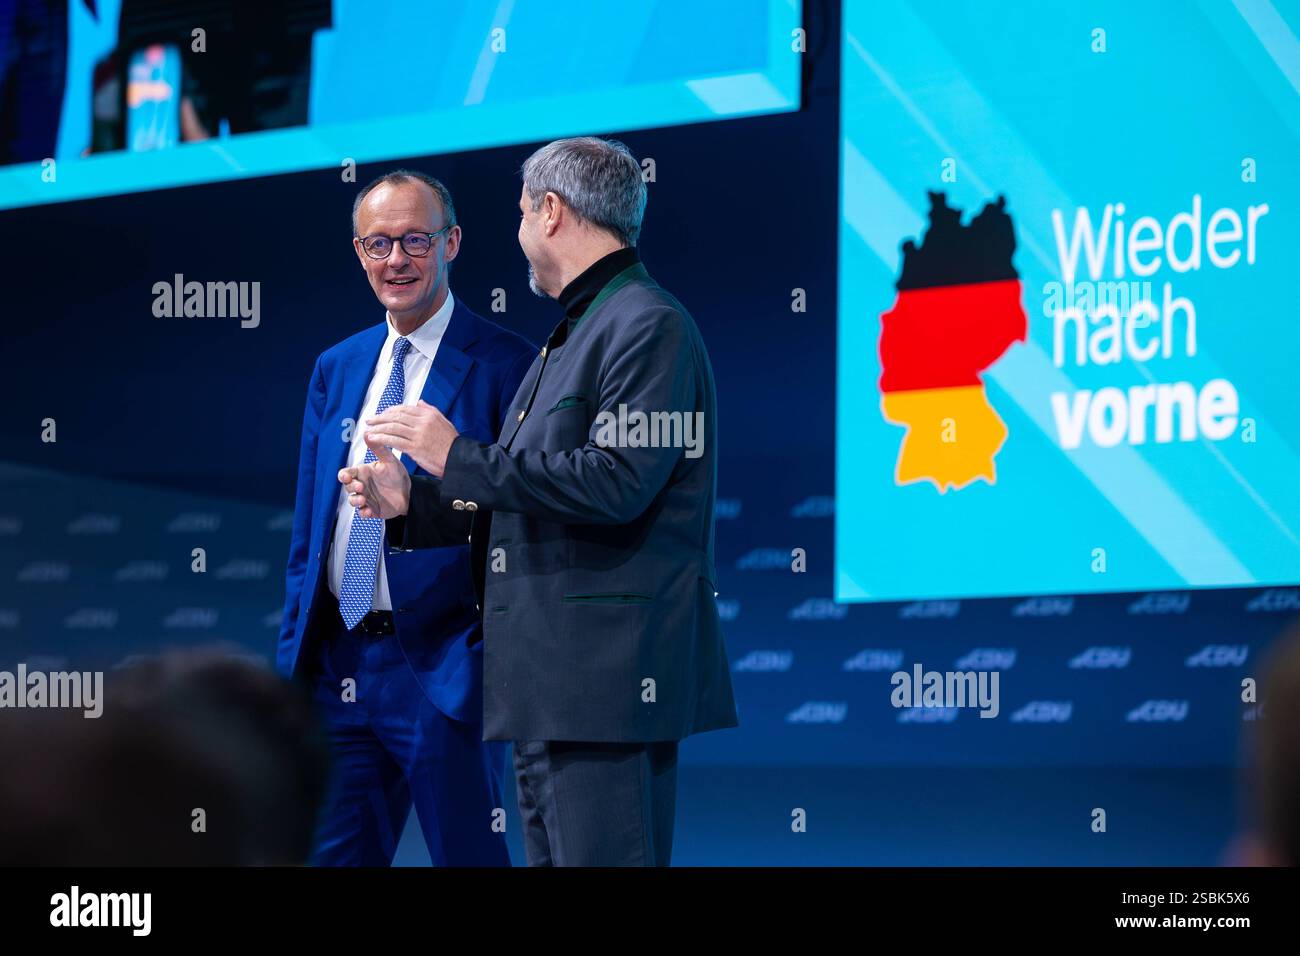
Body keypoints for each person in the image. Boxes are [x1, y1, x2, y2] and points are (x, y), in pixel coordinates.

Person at [342, 137, 738, 866]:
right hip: (548, 686)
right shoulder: (577, 332)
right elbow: (530, 490)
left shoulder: (648, 324)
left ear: (551, 211)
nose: (519, 232)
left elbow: (617, 481)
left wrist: (455, 454)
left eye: (523, 212)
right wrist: (415, 507)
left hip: (606, 688)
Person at [278, 170, 534, 866]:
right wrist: (291, 670)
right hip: (338, 664)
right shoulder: (338, 365)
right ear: (359, 252)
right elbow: (310, 534)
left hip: (445, 669)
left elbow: (522, 517)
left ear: (451, 242)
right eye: (378, 244)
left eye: (415, 240)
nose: (396, 260)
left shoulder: (507, 364)